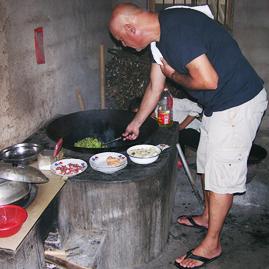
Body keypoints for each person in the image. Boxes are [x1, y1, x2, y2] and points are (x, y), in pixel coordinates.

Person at [109, 3, 268, 269]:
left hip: (237, 104)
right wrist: (136, 122)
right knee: (206, 163)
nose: (123, 45)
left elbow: (208, 81)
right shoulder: (158, 42)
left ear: (131, 27)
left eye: (121, 39)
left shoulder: (177, 29)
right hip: (218, 106)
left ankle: (212, 243)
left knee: (221, 177)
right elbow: (154, 86)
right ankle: (208, 216)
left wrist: (175, 75)